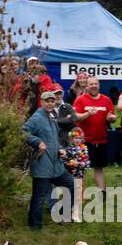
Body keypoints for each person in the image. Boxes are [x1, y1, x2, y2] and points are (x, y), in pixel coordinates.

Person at [22, 85, 75, 230]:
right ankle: (35, 227)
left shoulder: (52, 117)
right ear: (42, 102)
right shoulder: (37, 118)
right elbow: (24, 132)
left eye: (52, 101)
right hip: (42, 165)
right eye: (47, 101)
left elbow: (53, 139)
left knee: (70, 185)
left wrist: (60, 149)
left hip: (56, 165)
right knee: (39, 197)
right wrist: (37, 142)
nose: (50, 103)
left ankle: (63, 216)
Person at [72, 75, 113, 193]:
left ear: (99, 85)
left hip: (101, 140)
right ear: (87, 86)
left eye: (96, 84)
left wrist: (111, 118)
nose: (94, 86)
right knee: (81, 168)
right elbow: (76, 117)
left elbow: (112, 116)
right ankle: (80, 193)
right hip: (85, 140)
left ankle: (102, 192)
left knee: (99, 168)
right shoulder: (80, 99)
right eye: (91, 84)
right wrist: (88, 114)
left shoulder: (107, 100)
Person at [64, 126, 90, 220]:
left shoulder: (84, 149)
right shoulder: (68, 149)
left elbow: (87, 161)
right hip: (71, 174)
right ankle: (69, 210)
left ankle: (76, 212)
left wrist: (84, 164)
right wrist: (73, 163)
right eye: (76, 138)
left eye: (79, 138)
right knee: (71, 192)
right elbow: (66, 161)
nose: (78, 140)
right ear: (71, 139)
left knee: (79, 192)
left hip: (81, 174)